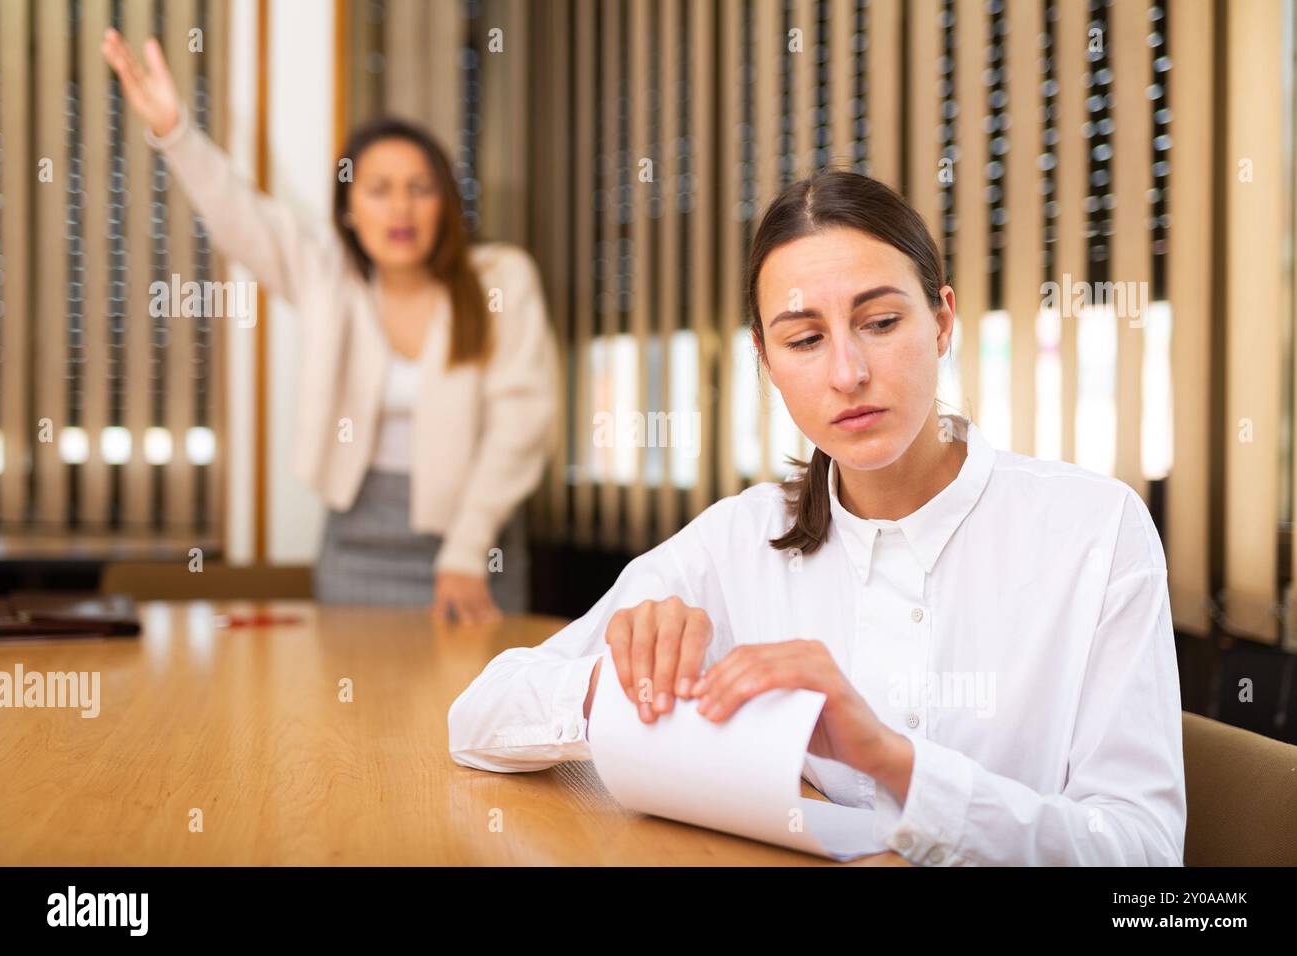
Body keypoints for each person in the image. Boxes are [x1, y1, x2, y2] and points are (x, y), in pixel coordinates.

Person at [447, 169, 1186, 866]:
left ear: (942, 320)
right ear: (767, 362)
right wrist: (614, 682)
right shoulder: (740, 539)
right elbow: (477, 717)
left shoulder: (1095, 530)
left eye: (881, 321)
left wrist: (897, 763)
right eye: (805, 340)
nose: (848, 373)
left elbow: (1143, 850)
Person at [102, 30, 558, 621]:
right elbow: (244, 219)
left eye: (420, 189)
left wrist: (467, 552)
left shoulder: (502, 278)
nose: (400, 209)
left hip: (476, 548)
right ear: (350, 208)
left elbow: (520, 425)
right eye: (379, 190)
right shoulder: (329, 273)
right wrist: (175, 133)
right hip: (356, 544)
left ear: (446, 204)